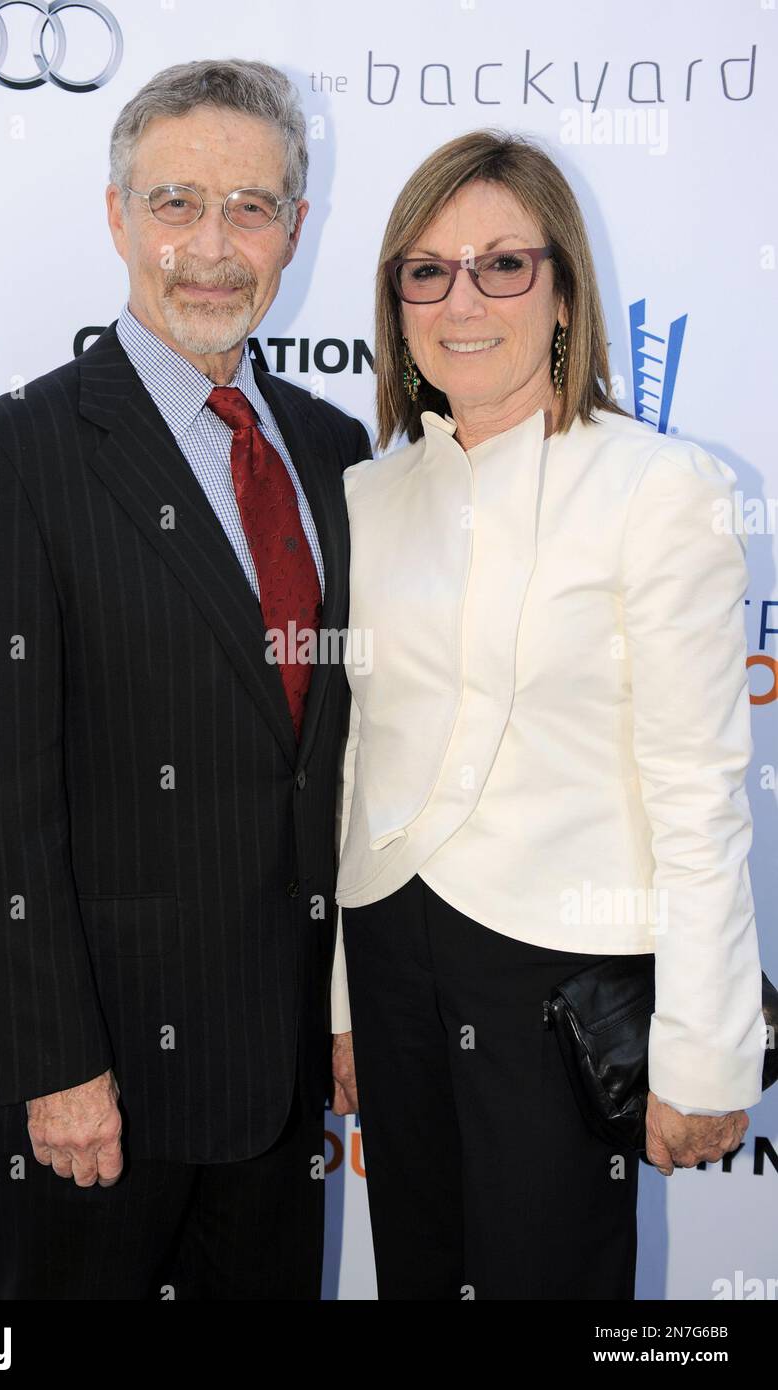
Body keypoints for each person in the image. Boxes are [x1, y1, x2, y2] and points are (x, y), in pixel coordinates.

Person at [0, 58, 371, 1301]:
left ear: (295, 232)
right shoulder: (5, 460)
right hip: (91, 1095)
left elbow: (334, 767)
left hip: (275, 1098)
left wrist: (340, 1012)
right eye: (176, 204)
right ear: (117, 217)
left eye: (252, 209)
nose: (213, 246)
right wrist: (55, 1067)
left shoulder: (337, 452)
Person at [329, 129, 767, 1300]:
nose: (462, 298)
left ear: (563, 291)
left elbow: (698, 787)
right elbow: (356, 756)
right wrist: (341, 998)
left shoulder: (660, 490)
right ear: (398, 303)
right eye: (427, 270)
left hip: (562, 981)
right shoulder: (367, 496)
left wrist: (709, 1046)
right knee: (419, 1276)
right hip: (392, 957)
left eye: (502, 265)